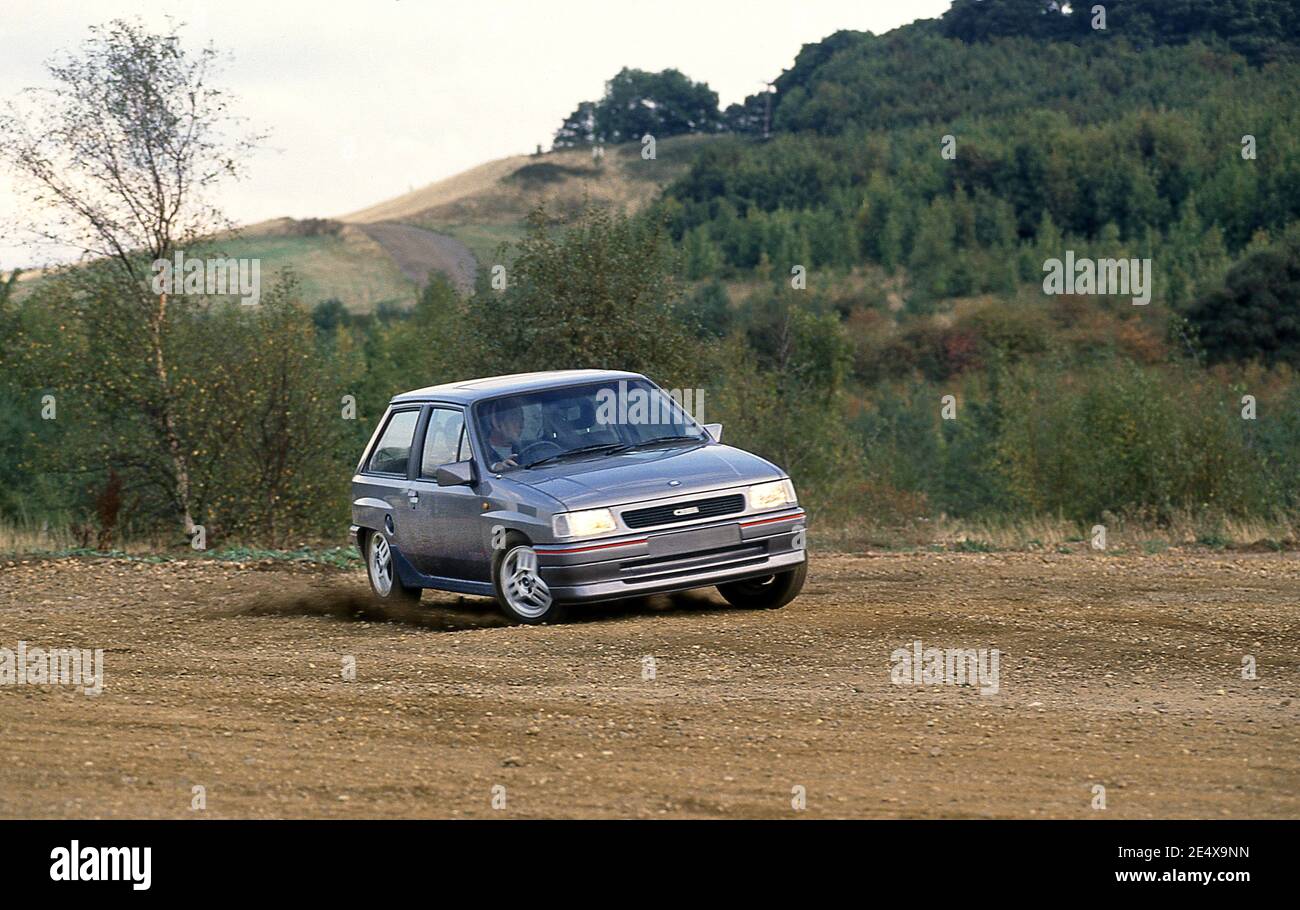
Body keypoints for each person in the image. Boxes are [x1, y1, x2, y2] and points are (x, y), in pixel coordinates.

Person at [483, 398, 524, 470]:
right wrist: (497, 467)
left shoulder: (527, 447)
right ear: (497, 423)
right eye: (514, 420)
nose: (522, 426)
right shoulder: (481, 454)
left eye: (522, 419)